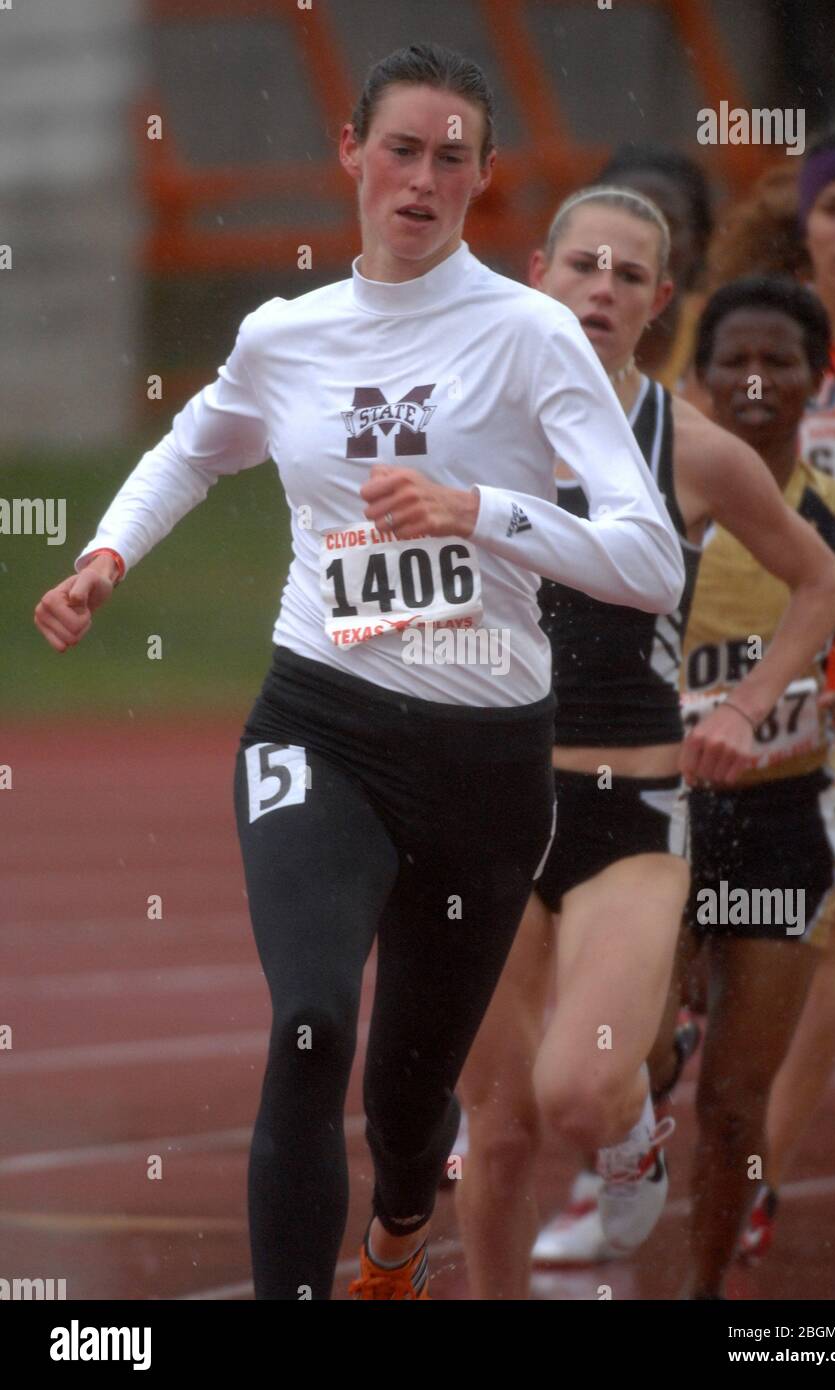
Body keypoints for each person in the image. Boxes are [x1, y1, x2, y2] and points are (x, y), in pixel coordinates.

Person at [33, 43, 692, 1302]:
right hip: (319, 722)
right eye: (401, 148)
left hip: (486, 758)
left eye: (453, 157)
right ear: (351, 153)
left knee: (405, 1102)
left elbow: (648, 562)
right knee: (307, 1025)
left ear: (483, 179)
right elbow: (193, 446)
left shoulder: (531, 333)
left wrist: (476, 511)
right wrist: (107, 554)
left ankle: (398, 1229)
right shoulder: (286, 333)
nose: (422, 177)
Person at [453, 188, 835, 1299]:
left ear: (660, 300)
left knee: (580, 1090)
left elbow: (816, 581)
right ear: (540, 273)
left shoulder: (691, 446)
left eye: (630, 275)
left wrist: (743, 706)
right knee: (498, 1126)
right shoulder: (466, 423)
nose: (602, 289)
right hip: (485, 810)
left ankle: (630, 1140)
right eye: (583, 265)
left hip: (628, 809)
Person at [646, 274, 835, 1299]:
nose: (756, 378)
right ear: (701, 376)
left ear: (818, 377)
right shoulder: (649, 505)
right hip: (654, 813)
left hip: (781, 816)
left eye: (781, 359)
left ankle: (703, 1292)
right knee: (638, 1059)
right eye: (734, 359)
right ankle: (646, 1073)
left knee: (734, 1101)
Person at [596, 143, 714, 388]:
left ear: (699, 242)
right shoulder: (550, 336)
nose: (641, 240)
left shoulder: (727, 340)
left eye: (665, 223)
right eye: (622, 219)